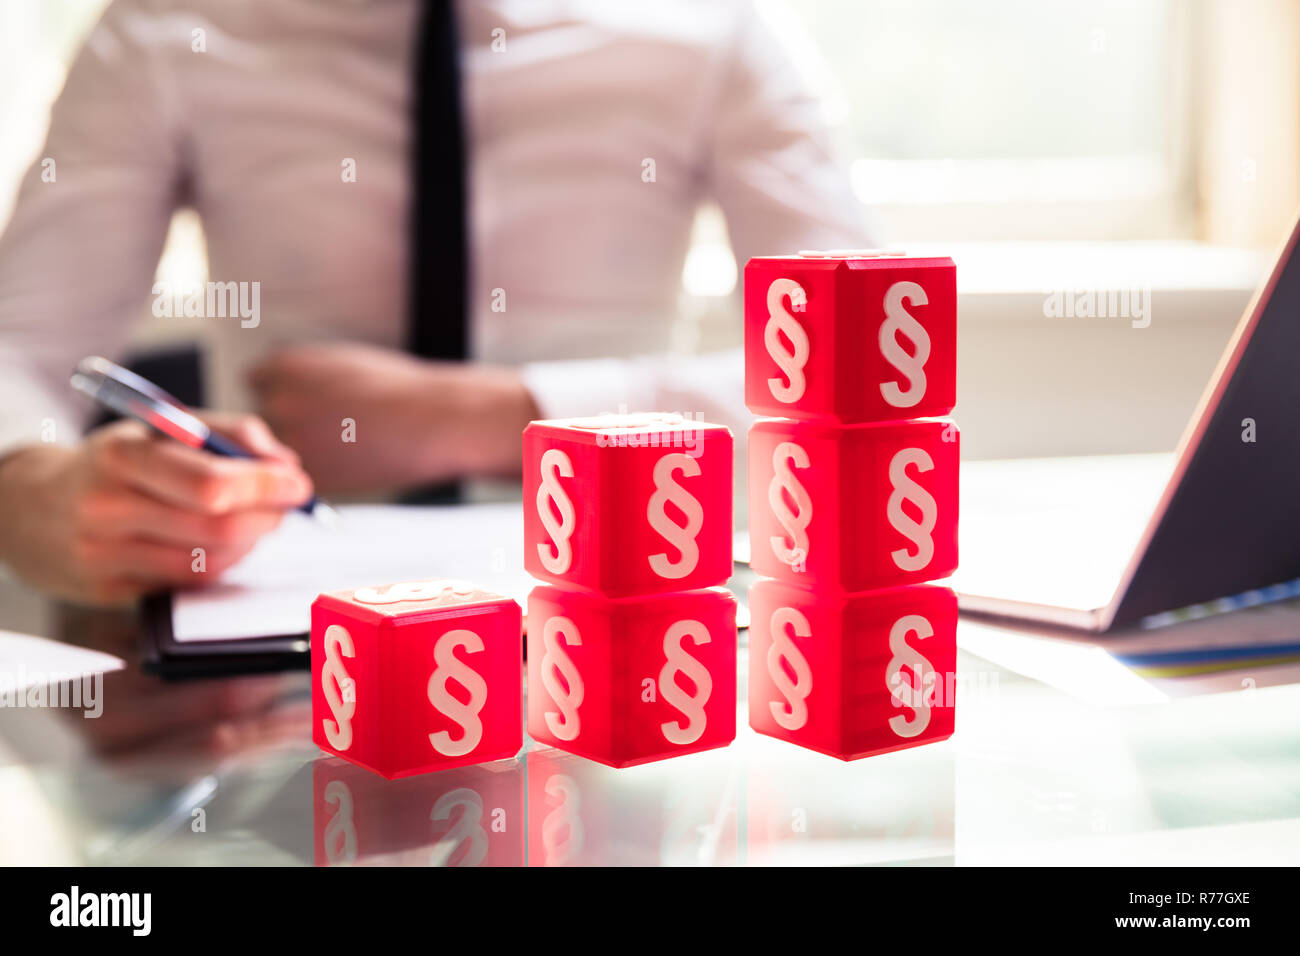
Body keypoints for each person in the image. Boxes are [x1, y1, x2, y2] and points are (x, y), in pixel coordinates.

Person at [0, 0, 869, 604]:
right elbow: (21, 345)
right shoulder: (165, 31)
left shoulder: (714, 29)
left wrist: (493, 420)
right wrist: (28, 484)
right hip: (271, 641)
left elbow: (866, 375)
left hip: (625, 615)